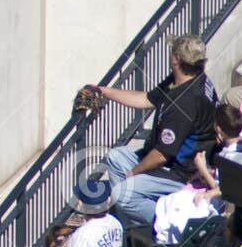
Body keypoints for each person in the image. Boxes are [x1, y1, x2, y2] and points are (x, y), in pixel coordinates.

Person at [90, 33, 218, 226]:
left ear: (175, 59)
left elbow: (161, 155)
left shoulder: (184, 103)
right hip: (169, 159)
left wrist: (134, 172)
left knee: (122, 194)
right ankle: (128, 227)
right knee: (115, 157)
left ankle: (168, 225)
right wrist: (103, 91)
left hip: (181, 172)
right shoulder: (188, 79)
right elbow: (147, 99)